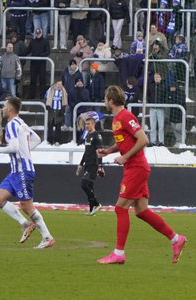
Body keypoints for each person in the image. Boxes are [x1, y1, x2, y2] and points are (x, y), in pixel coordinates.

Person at [95, 84, 187, 265]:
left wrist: (125, 157)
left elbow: (143, 139)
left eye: (105, 98)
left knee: (120, 208)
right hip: (134, 167)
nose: (104, 101)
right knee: (141, 211)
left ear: (111, 100)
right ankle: (176, 239)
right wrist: (109, 150)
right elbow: (124, 142)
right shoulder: (116, 120)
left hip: (136, 167)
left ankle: (119, 253)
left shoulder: (126, 116)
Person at [0, 96, 55, 248]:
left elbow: (14, 147)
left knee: (26, 206)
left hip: (23, 171)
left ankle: (47, 237)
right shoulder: (21, 123)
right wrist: (24, 150)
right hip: (15, 171)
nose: (3, 109)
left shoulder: (12, 124)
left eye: (5, 106)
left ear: (11, 109)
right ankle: (25, 223)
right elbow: (36, 139)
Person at [79, 111, 106, 215]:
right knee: (89, 186)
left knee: (84, 184)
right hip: (87, 164)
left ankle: (96, 204)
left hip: (93, 165)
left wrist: (100, 166)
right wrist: (81, 164)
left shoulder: (96, 136)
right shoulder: (88, 136)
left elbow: (99, 152)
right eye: (86, 124)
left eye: (88, 124)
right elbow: (86, 152)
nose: (87, 126)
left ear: (93, 124)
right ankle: (91, 209)